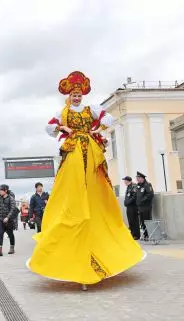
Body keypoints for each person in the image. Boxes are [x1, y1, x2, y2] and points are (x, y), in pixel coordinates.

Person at [28, 71, 144, 291]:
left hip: (90, 150)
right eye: (74, 94)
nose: (77, 97)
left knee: (93, 183)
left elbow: (109, 119)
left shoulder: (92, 110)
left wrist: (96, 128)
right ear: (69, 95)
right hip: (73, 152)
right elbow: (48, 127)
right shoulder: (62, 112)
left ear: (83, 95)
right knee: (71, 184)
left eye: (79, 94)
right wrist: (64, 128)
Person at [0, 184, 18, 256]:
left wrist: (8, 217)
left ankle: (12, 247)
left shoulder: (11, 198)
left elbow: (13, 209)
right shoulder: (0, 198)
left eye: (1, 190)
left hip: (9, 220)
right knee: (0, 234)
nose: (0, 192)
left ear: (5, 190)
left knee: (10, 234)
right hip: (0, 219)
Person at [135, 171, 154, 240]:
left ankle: (149, 235)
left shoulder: (147, 185)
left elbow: (150, 195)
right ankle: (145, 235)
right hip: (140, 207)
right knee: (142, 222)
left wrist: (142, 201)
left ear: (142, 178)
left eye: (138, 178)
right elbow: (137, 195)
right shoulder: (138, 186)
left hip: (146, 207)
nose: (137, 179)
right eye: (137, 178)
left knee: (147, 221)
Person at [123, 176, 140, 240]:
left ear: (127, 180)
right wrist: (126, 202)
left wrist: (127, 202)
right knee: (130, 221)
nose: (124, 182)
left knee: (134, 221)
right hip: (129, 207)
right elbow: (127, 196)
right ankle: (132, 234)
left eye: (125, 180)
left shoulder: (134, 186)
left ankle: (136, 235)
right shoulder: (128, 187)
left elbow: (134, 197)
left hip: (133, 207)